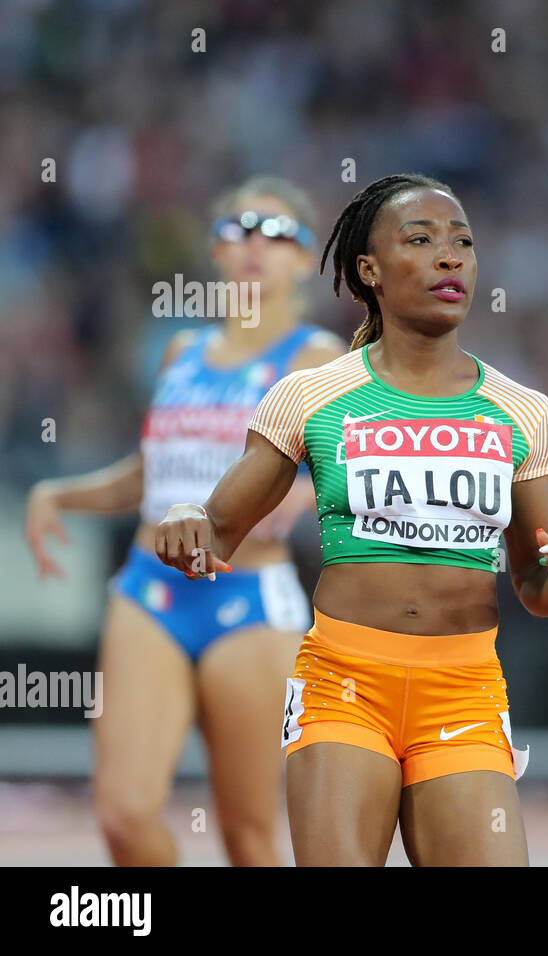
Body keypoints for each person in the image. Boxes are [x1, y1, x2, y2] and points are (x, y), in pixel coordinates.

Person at [155, 173, 548, 866]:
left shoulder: (523, 411)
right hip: (342, 687)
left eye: (463, 243)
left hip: (465, 692)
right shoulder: (311, 394)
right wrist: (185, 520)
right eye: (420, 240)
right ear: (370, 270)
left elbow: (536, 588)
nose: (450, 258)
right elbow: (217, 531)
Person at [24, 176, 347, 865]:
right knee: (124, 815)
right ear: (216, 251)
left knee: (248, 837)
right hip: (151, 592)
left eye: (278, 232)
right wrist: (60, 494)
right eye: (240, 229)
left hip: (250, 602)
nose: (256, 242)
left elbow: (351, 466)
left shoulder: (317, 357)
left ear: (303, 260)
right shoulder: (180, 354)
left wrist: (297, 492)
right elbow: (152, 474)